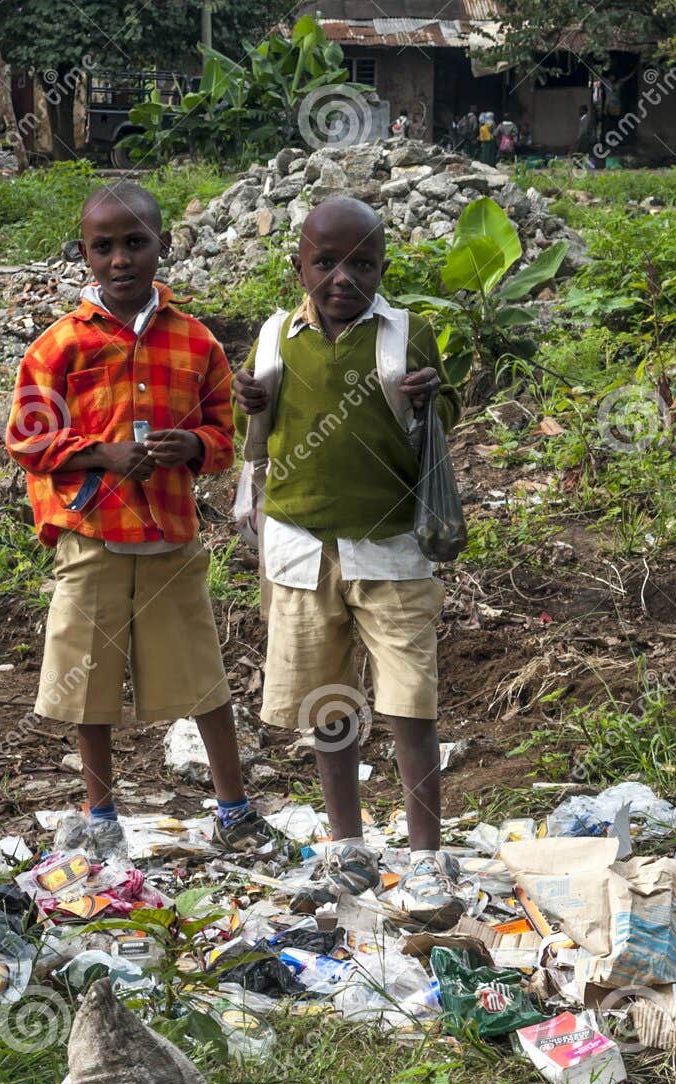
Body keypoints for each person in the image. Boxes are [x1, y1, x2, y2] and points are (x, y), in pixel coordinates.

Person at [7, 182, 279, 862]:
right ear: (84, 255)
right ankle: (99, 815)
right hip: (91, 536)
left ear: (164, 246)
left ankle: (234, 808)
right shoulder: (58, 347)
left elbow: (225, 434)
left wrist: (193, 448)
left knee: (202, 677)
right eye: (105, 248)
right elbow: (27, 441)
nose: (121, 259)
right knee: (89, 684)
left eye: (135, 243)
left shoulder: (196, 342)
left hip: (170, 540)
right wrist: (102, 453)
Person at [229, 196, 462, 923]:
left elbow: (440, 422)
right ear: (299, 264)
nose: (342, 278)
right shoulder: (275, 338)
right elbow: (253, 428)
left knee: (408, 704)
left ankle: (425, 857)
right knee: (329, 705)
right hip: (300, 549)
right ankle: (347, 846)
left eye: (360, 263)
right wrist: (245, 401)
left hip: (389, 548)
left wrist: (431, 399)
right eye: (325, 263)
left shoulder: (404, 335)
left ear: (382, 268)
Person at [576, 104, 597, 169]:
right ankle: (581, 165)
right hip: (584, 138)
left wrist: (578, 137)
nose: (579, 112)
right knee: (582, 152)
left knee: (581, 152)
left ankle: (581, 166)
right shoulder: (583, 118)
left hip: (584, 138)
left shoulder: (585, 119)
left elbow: (583, 130)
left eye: (580, 110)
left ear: (584, 111)